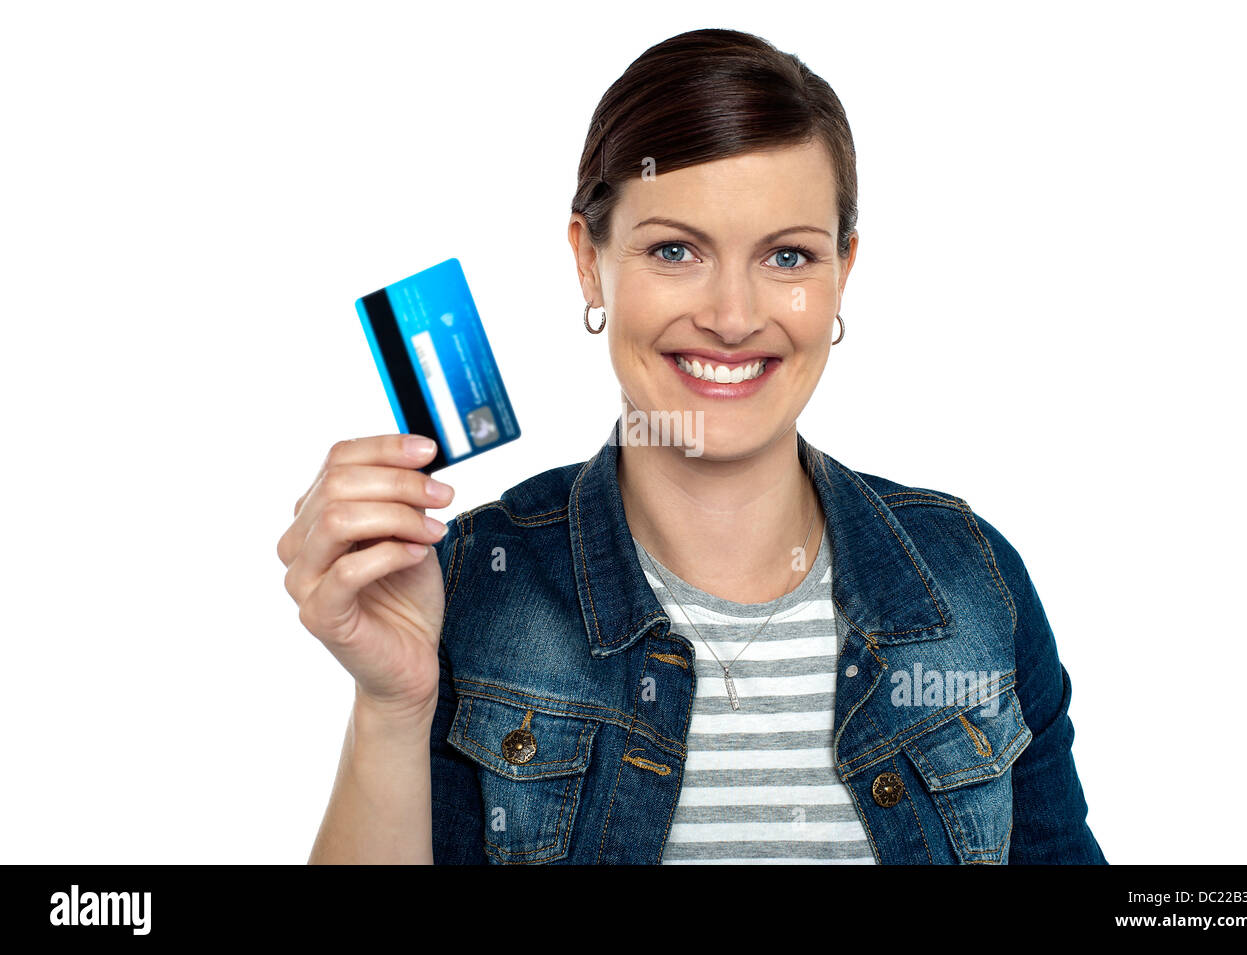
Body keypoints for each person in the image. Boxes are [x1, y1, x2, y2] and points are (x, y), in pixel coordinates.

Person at [279, 28, 1105, 865]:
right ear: (589, 262)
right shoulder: (475, 584)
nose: (733, 314)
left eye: (788, 255)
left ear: (843, 272)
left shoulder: (968, 578)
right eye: (675, 250)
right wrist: (391, 706)